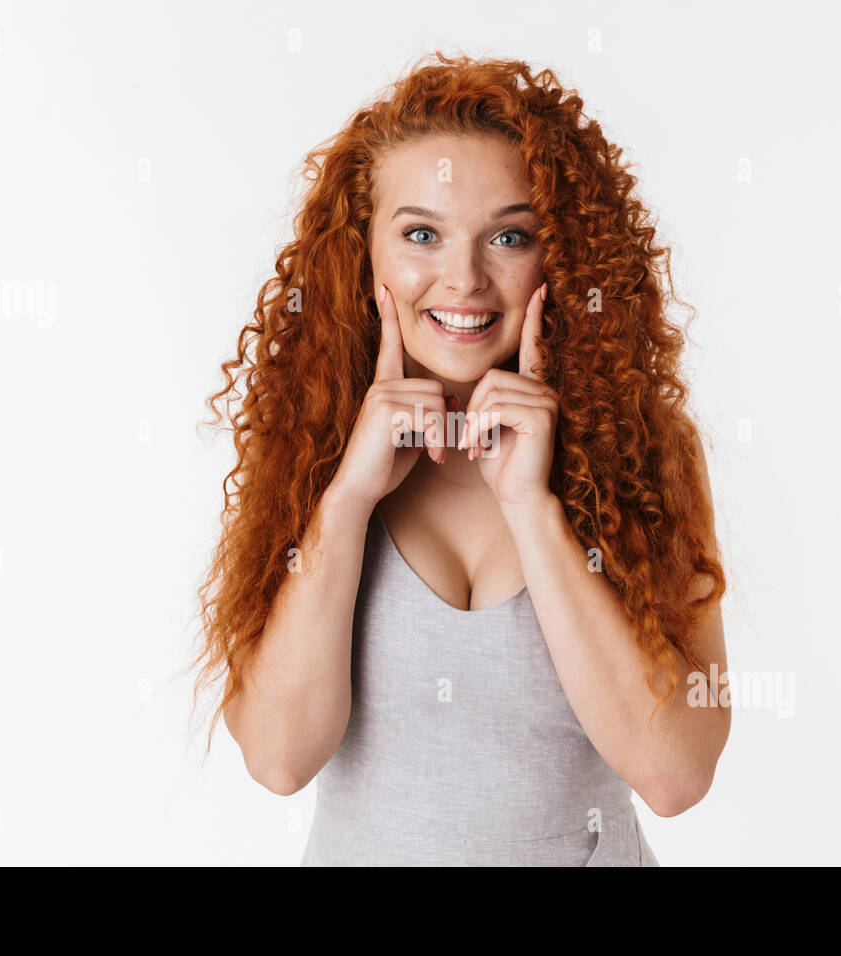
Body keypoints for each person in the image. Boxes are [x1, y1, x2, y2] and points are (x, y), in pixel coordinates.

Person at [193, 51, 730, 866]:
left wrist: (532, 506)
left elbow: (675, 773)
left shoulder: (647, 452)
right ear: (362, 251)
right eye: (421, 234)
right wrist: (347, 501)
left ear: (563, 255)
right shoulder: (306, 449)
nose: (464, 279)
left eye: (509, 236)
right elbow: (277, 758)